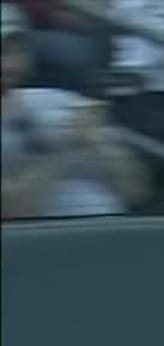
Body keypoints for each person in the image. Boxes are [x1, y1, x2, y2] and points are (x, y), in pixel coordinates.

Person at [2, 1, 148, 220]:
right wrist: (66, 150)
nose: (8, 64)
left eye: (17, 51)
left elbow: (136, 192)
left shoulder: (61, 101)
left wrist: (102, 147)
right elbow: (12, 209)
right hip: (40, 243)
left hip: (112, 231)